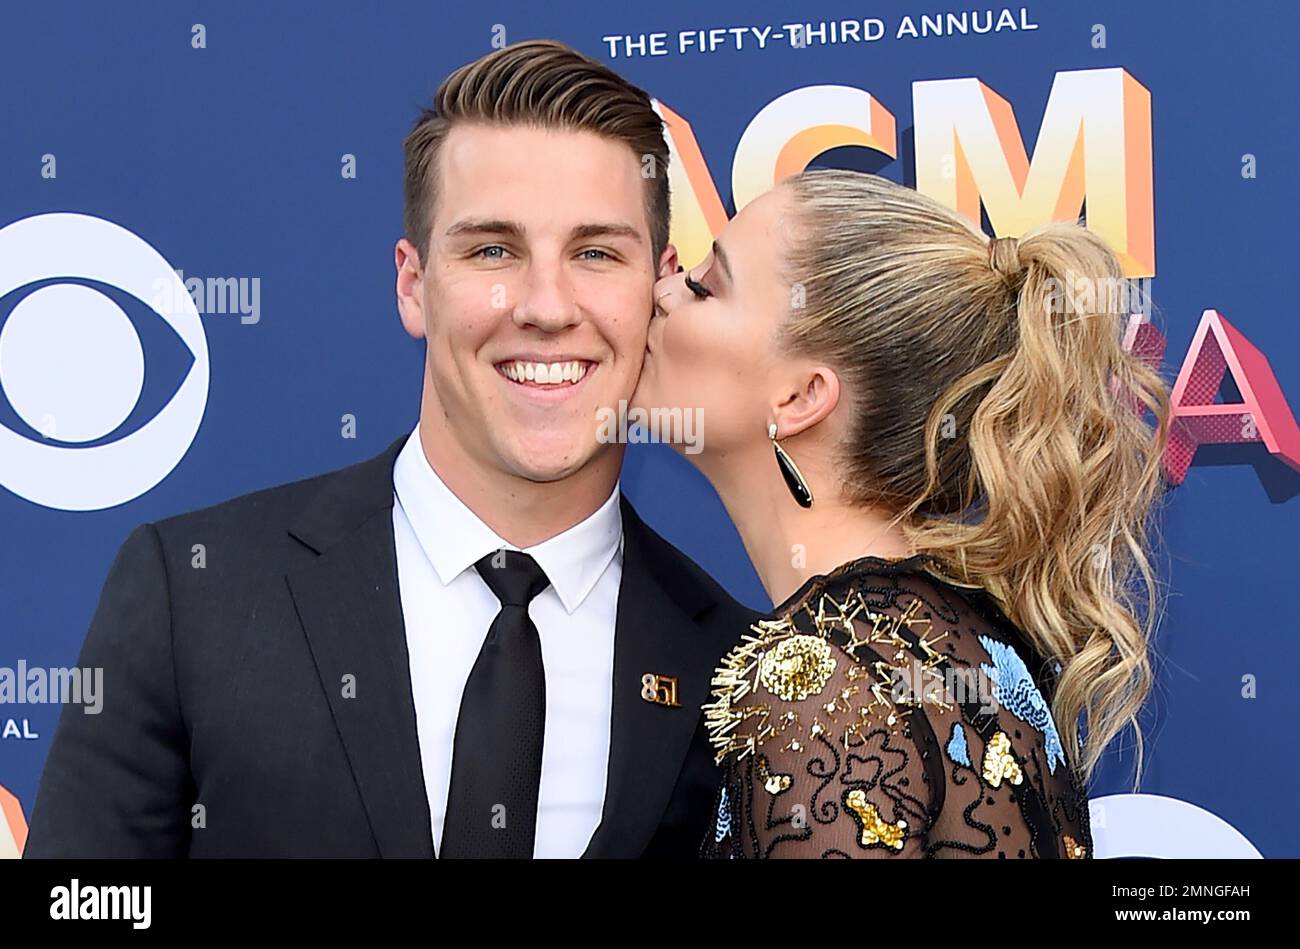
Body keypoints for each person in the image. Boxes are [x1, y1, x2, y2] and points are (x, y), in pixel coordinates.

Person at [23, 39, 758, 859]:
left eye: (595, 253)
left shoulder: (741, 671)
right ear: (413, 284)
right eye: (493, 250)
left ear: (658, 286)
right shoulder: (192, 591)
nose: (548, 307)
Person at [634, 169, 1171, 858]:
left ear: (802, 396)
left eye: (706, 286)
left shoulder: (820, 680)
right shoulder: (980, 651)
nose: (660, 293)